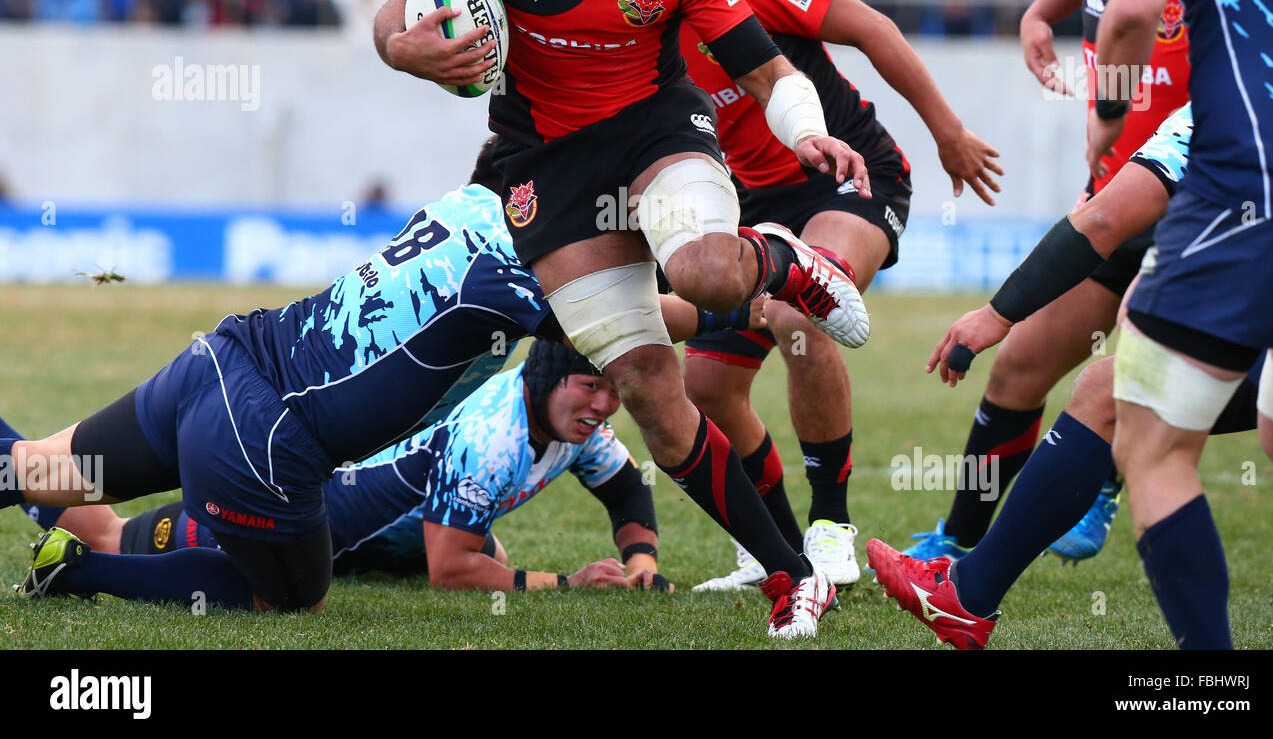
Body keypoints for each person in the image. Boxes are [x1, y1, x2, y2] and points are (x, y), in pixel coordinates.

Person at [372, 0, 871, 637]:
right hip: (544, 166)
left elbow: (764, 67)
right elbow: (403, 4)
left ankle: (785, 263)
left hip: (655, 130)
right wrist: (401, 47)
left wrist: (808, 131)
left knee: (707, 273)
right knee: (647, 387)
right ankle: (791, 577)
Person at [0, 139, 750, 614]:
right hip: (267, 450)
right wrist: (744, 296)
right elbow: (626, 317)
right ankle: (77, 574)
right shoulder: (508, 274)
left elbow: (621, 468)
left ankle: (80, 550)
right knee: (282, 594)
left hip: (219, 365)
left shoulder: (459, 215)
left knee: (38, 472)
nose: (601, 398)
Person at [674, 0, 1001, 590]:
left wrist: (948, 133)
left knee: (802, 310)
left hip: (849, 178)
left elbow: (874, 28)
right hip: (746, 207)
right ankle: (779, 555)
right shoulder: (628, 18)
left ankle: (831, 531)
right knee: (706, 389)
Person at [901, 0, 1190, 565]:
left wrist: (1108, 115)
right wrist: (1034, 24)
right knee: (1019, 367)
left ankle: (1101, 486)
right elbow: (1051, 6)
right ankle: (956, 541)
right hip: (1113, 210)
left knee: (1127, 365)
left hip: (1196, 213)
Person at [867, 105, 1255, 649]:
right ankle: (969, 564)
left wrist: (996, 314)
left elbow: (1102, 221)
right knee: (1127, 398)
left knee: (1121, 400)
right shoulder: (1252, 78)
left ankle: (973, 590)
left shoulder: (1229, 100)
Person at [1089, 0, 1273, 649]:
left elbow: (1133, 8)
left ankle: (1207, 685)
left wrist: (1107, 110)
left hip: (1257, 192)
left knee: (1149, 441)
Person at [15, 341, 673, 602]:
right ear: (551, 378)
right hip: (302, 495)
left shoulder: (573, 420)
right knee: (107, 530)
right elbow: (452, 572)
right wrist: (569, 584)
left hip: (358, 518)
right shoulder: (494, 438)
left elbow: (623, 490)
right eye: (592, 387)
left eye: (612, 391)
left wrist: (640, 560)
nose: (604, 404)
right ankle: (77, 569)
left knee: (485, 543)